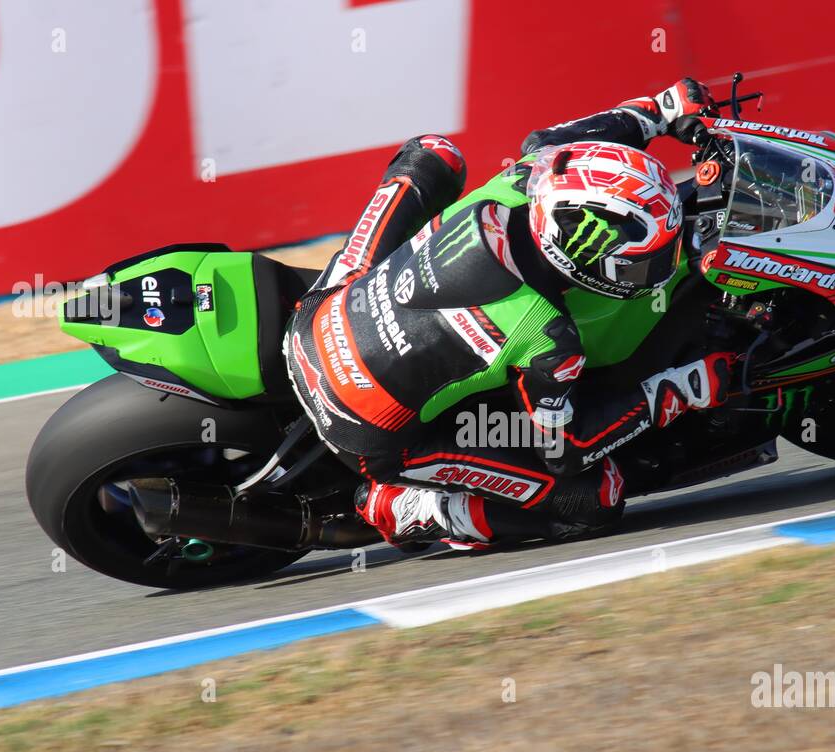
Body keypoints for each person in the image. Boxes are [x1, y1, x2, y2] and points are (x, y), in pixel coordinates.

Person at [283, 78, 737, 549]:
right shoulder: (548, 337)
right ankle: (408, 507)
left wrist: (659, 110)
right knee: (596, 499)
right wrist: (677, 390)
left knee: (432, 152)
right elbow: (565, 449)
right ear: (580, 257)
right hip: (364, 430)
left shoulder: (529, 175)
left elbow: (567, 142)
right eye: (644, 263)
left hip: (320, 312)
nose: (656, 270)